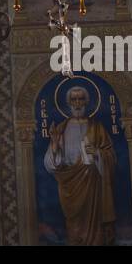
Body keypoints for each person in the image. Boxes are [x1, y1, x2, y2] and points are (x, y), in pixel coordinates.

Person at [44, 85, 117, 245]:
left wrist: (97, 153)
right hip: (70, 186)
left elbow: (111, 157)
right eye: (74, 99)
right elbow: (51, 165)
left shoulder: (97, 128)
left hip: (94, 188)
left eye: (81, 99)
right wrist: (55, 147)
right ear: (69, 103)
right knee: (75, 228)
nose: (77, 103)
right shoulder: (61, 129)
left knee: (95, 228)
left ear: (87, 102)